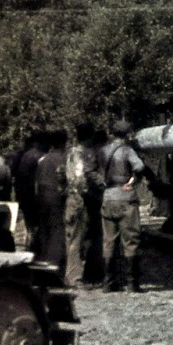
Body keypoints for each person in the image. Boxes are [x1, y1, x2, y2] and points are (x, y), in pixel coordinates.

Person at [97, 119, 151, 292]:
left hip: (107, 197)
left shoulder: (103, 150)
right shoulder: (127, 150)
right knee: (131, 240)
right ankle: (132, 283)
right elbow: (140, 166)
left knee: (108, 241)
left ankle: (108, 283)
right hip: (125, 198)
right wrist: (132, 181)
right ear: (128, 134)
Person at [63, 122, 104, 288]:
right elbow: (80, 179)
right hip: (80, 199)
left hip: (76, 198)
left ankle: (88, 273)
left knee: (85, 237)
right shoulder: (79, 154)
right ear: (89, 136)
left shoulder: (73, 152)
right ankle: (75, 277)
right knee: (76, 238)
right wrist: (96, 189)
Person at [32, 129, 68, 267]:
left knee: (44, 230)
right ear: (64, 142)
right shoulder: (63, 159)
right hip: (56, 198)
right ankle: (54, 263)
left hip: (42, 197)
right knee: (57, 231)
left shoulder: (43, 159)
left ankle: (43, 259)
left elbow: (37, 182)